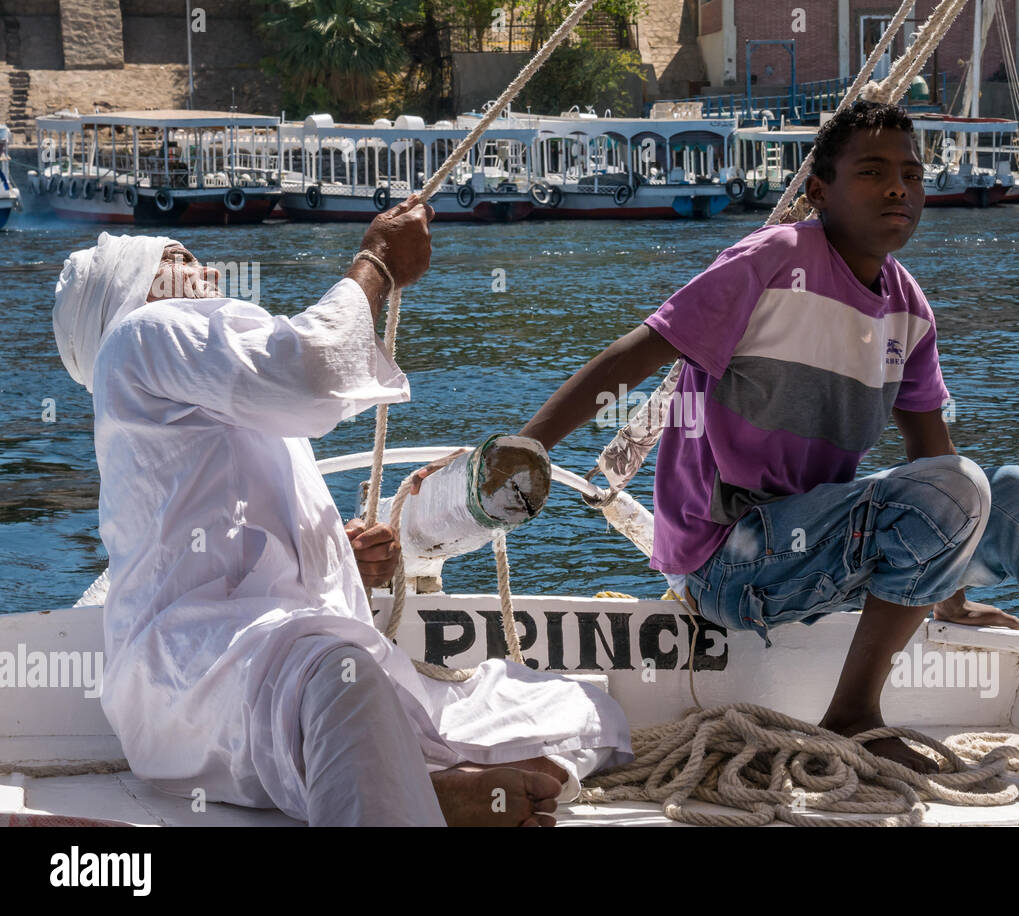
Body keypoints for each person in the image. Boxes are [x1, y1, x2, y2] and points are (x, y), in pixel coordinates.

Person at [518, 101, 1019, 792]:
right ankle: (855, 710)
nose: (899, 188)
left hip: (816, 546)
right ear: (820, 191)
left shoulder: (907, 307)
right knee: (957, 486)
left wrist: (947, 588)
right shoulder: (769, 264)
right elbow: (629, 359)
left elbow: (934, 454)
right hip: (732, 560)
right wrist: (528, 450)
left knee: (1014, 490)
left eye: (911, 174)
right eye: (873, 172)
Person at [51, 196, 631, 826]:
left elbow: (232, 543)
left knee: (583, 715)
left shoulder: (186, 395)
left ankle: (414, 779)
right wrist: (377, 261)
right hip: (203, 668)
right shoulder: (141, 335)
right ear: (132, 290)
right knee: (342, 677)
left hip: (215, 698)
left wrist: (342, 563)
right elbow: (313, 367)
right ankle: (425, 792)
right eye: (181, 260)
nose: (211, 275)